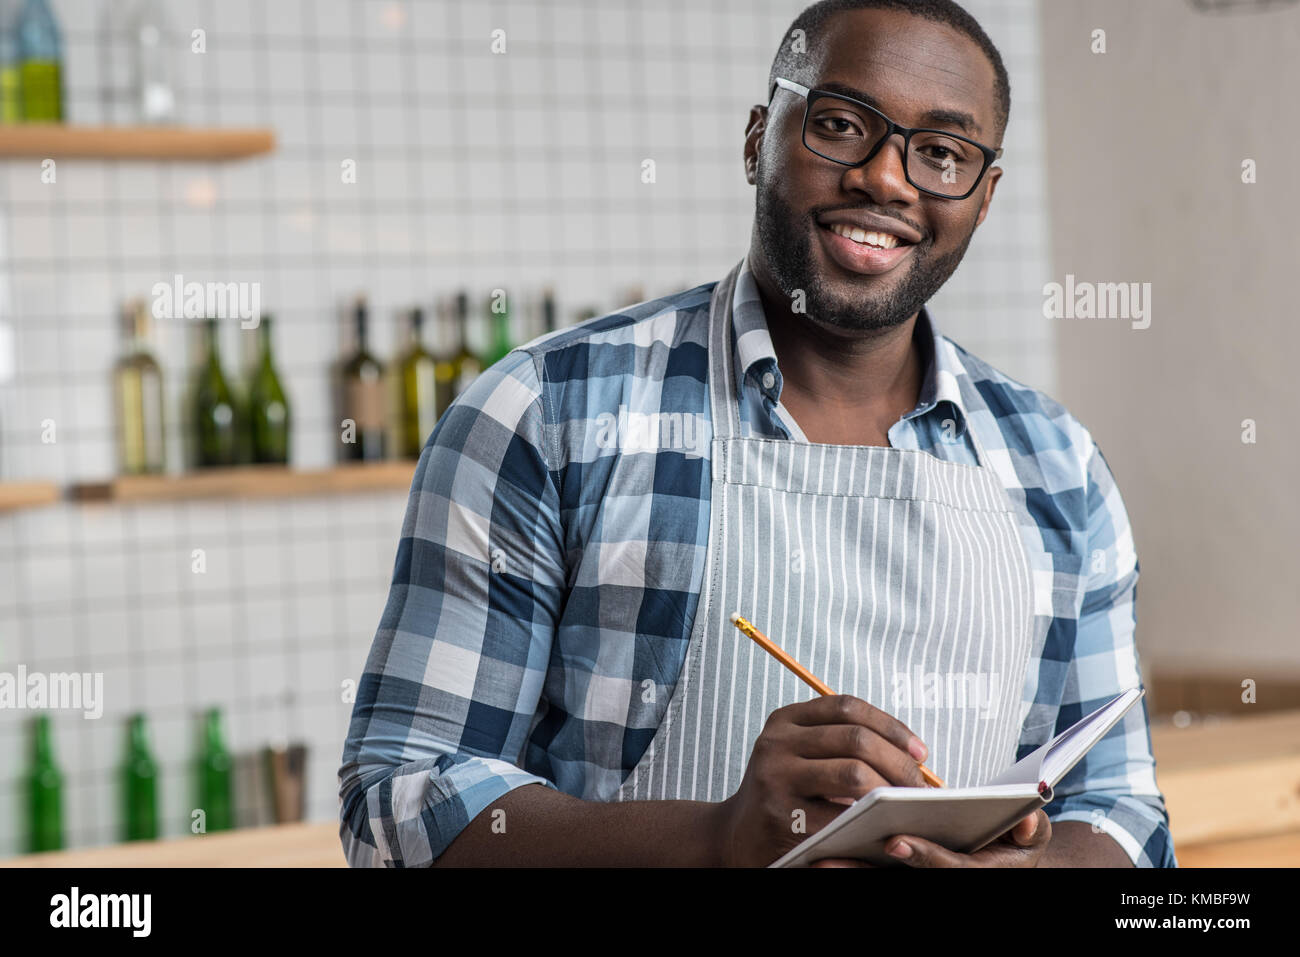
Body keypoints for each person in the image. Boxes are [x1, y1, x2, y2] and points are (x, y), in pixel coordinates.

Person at [338, 0, 1176, 868]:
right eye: (843, 124)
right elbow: (400, 802)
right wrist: (720, 839)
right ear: (757, 139)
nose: (887, 180)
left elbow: (1123, 812)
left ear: (983, 197)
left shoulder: (1059, 465)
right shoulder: (545, 413)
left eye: (942, 152)